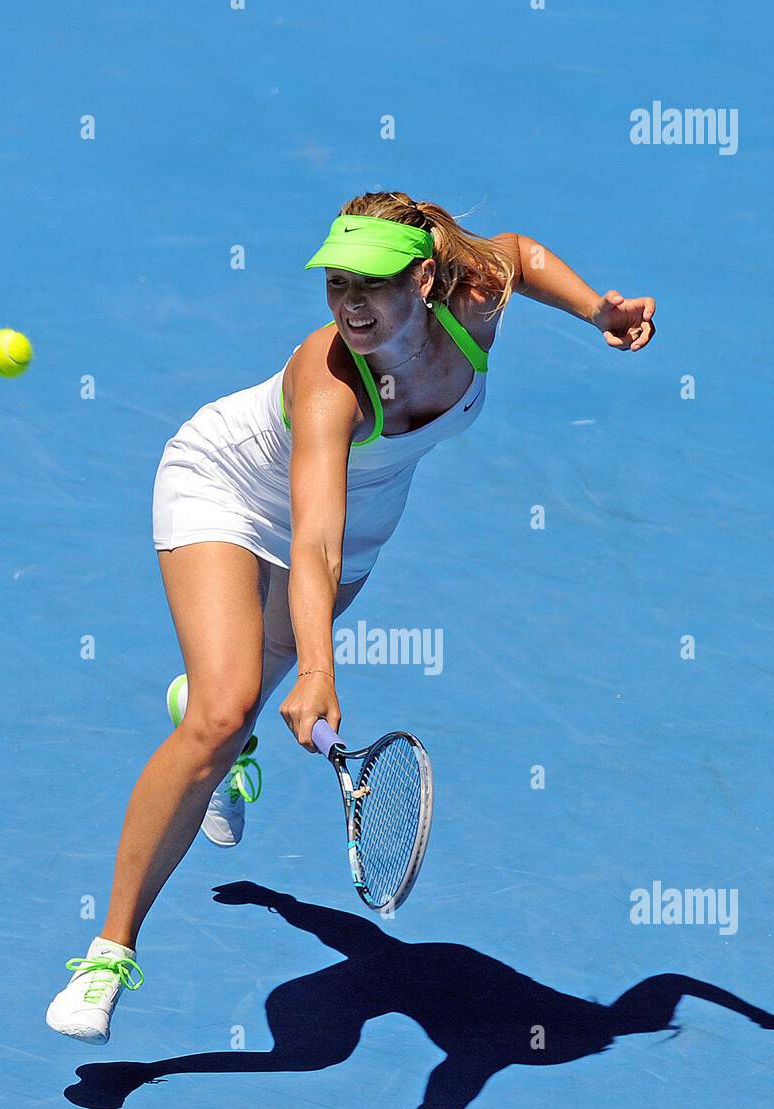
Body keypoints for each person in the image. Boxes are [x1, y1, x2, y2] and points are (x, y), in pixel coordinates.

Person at [46, 190, 656, 1045]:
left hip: (361, 527)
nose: (352, 304)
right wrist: (323, 670)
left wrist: (600, 311)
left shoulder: (476, 300)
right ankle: (110, 951)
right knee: (225, 711)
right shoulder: (330, 378)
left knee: (240, 705)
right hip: (226, 489)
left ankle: (228, 737)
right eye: (337, 284)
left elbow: (518, 251)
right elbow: (312, 547)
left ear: (427, 279)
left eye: (371, 283)